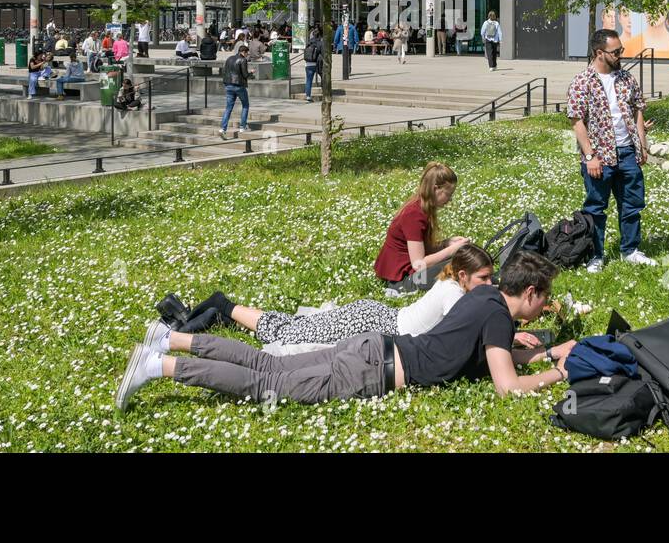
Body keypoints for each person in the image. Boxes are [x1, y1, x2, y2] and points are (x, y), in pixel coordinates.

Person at [116, 250, 572, 412]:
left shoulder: (483, 298)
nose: (544, 307)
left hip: (374, 345)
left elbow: (498, 357)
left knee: (266, 362)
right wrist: (560, 373)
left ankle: (168, 339)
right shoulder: (498, 316)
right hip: (374, 368)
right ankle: (159, 366)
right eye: (544, 298)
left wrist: (550, 354)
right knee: (266, 384)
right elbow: (507, 387)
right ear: (530, 292)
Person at [174, 244, 498, 353]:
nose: (489, 284)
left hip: (376, 317)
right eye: (484, 278)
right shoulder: (454, 295)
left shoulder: (451, 287)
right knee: (289, 335)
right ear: (462, 276)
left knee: (297, 326)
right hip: (373, 322)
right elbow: (470, 332)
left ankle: (224, 309)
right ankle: (224, 306)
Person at [566, 28, 654, 272]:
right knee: (595, 207)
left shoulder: (627, 78)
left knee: (632, 204)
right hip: (600, 156)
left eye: (621, 50)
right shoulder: (582, 82)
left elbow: (637, 110)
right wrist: (590, 156)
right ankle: (596, 256)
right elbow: (577, 121)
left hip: (628, 152)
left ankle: (630, 250)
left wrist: (641, 144)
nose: (620, 55)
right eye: (616, 52)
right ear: (599, 53)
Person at [374, 161, 470, 294]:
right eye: (448, 194)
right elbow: (419, 264)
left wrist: (446, 244)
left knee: (465, 258)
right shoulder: (414, 214)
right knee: (462, 262)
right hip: (403, 282)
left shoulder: (421, 207)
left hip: (409, 274)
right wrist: (452, 250)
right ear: (435, 188)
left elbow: (422, 248)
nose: (450, 199)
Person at [218, 43, 250, 138]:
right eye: (247, 53)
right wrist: (251, 73)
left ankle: (223, 129)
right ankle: (242, 126)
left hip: (228, 85)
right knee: (245, 105)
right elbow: (245, 75)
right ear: (243, 52)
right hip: (239, 85)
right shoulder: (243, 60)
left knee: (228, 108)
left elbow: (224, 71)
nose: (247, 55)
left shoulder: (229, 58)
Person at [303, 30, 323, 103]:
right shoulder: (320, 43)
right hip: (317, 64)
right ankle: (325, 93)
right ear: (319, 36)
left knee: (309, 80)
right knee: (323, 78)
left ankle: (308, 96)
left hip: (308, 64)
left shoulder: (308, 43)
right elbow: (323, 53)